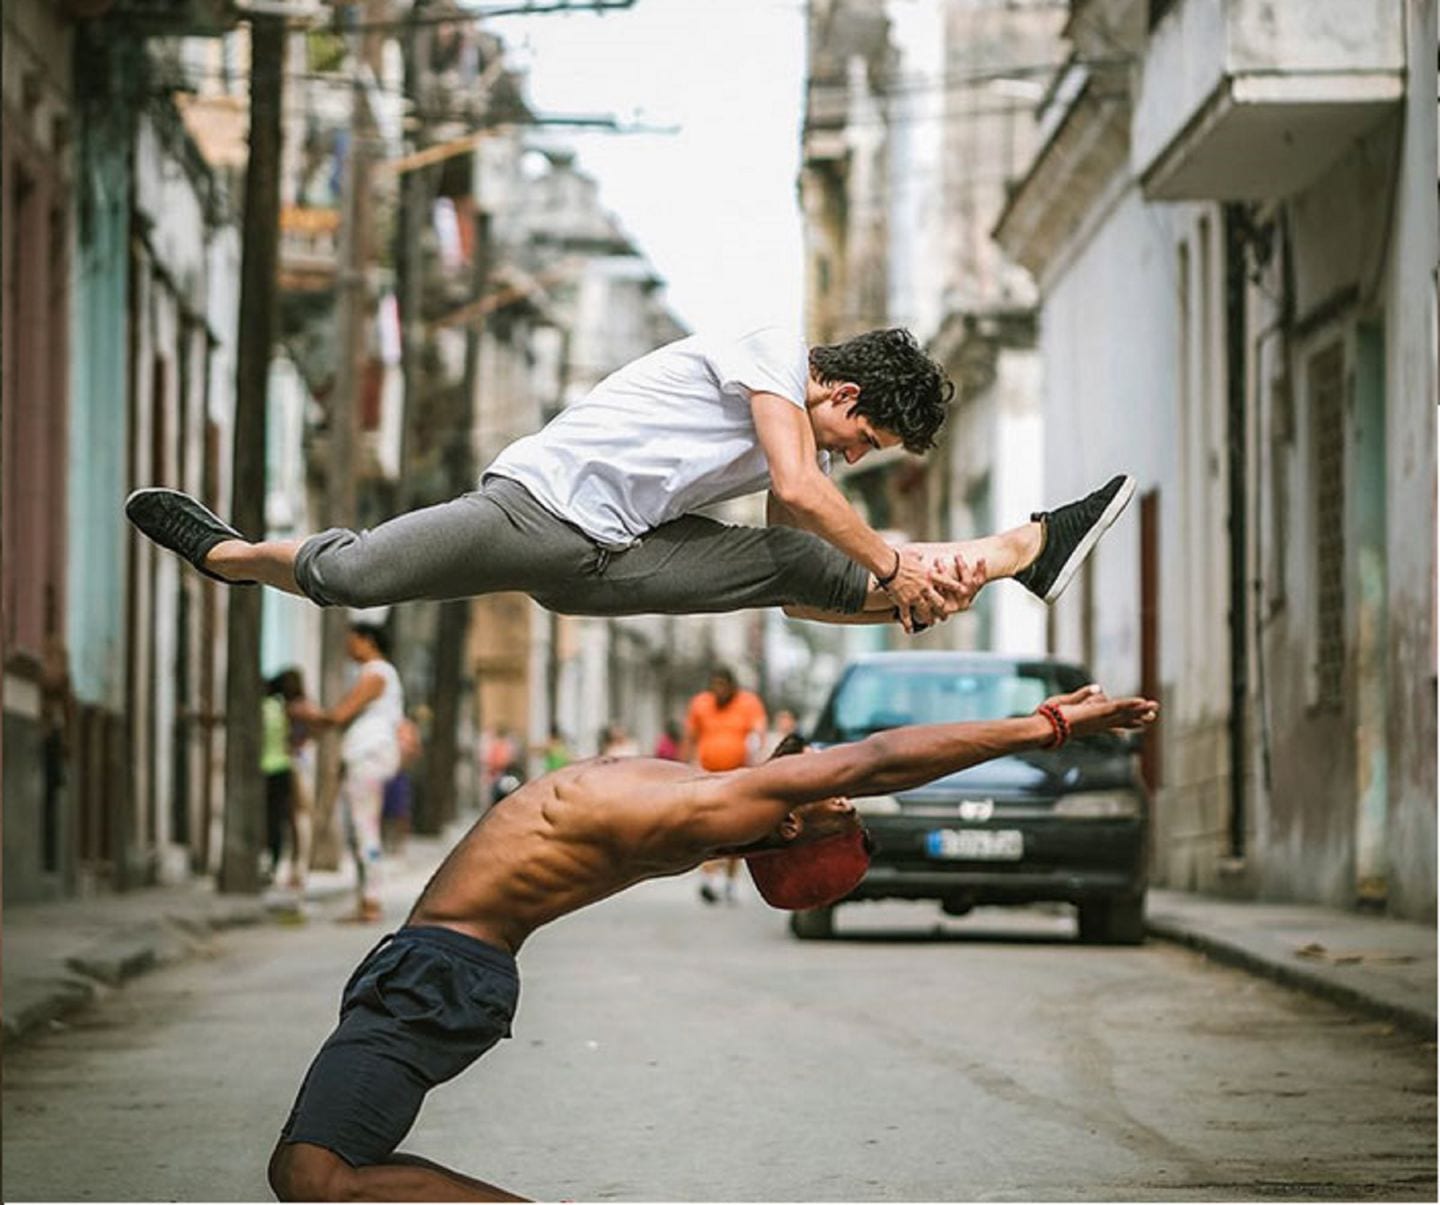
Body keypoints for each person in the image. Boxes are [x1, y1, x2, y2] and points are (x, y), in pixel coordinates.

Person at [265, 681, 1158, 1202]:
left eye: (832, 802)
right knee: (325, 1171)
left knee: (316, 1173)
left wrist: (1048, 725)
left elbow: (884, 758)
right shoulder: (712, 806)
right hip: (443, 967)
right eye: (837, 798)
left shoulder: (713, 807)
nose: (834, 783)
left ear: (788, 822)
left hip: (440, 970)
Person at [125, 326, 1136, 635]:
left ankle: (1026, 549)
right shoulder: (769, 349)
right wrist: (887, 560)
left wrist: (902, 582)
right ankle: (232, 552)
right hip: (533, 513)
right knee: (353, 581)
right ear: (836, 384)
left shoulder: (810, 420)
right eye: (861, 434)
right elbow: (794, 489)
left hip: (618, 558)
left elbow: (807, 522)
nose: (849, 455)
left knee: (814, 579)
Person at [305, 623, 405, 923]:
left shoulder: (377, 673)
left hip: (370, 757)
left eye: (353, 641)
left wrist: (310, 715)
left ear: (368, 641)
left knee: (365, 828)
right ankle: (366, 899)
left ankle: (371, 901)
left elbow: (340, 713)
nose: (349, 648)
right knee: (362, 828)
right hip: (368, 756)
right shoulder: (376, 673)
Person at [684, 667, 768, 904]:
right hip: (707, 778)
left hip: (737, 778)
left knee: (735, 832)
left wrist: (756, 758)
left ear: (732, 686)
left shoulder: (748, 703)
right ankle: (709, 880)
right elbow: (691, 737)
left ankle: (730, 882)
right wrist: (686, 767)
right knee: (707, 830)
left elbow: (758, 733)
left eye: (723, 685)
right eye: (714, 685)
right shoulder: (701, 704)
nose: (718, 690)